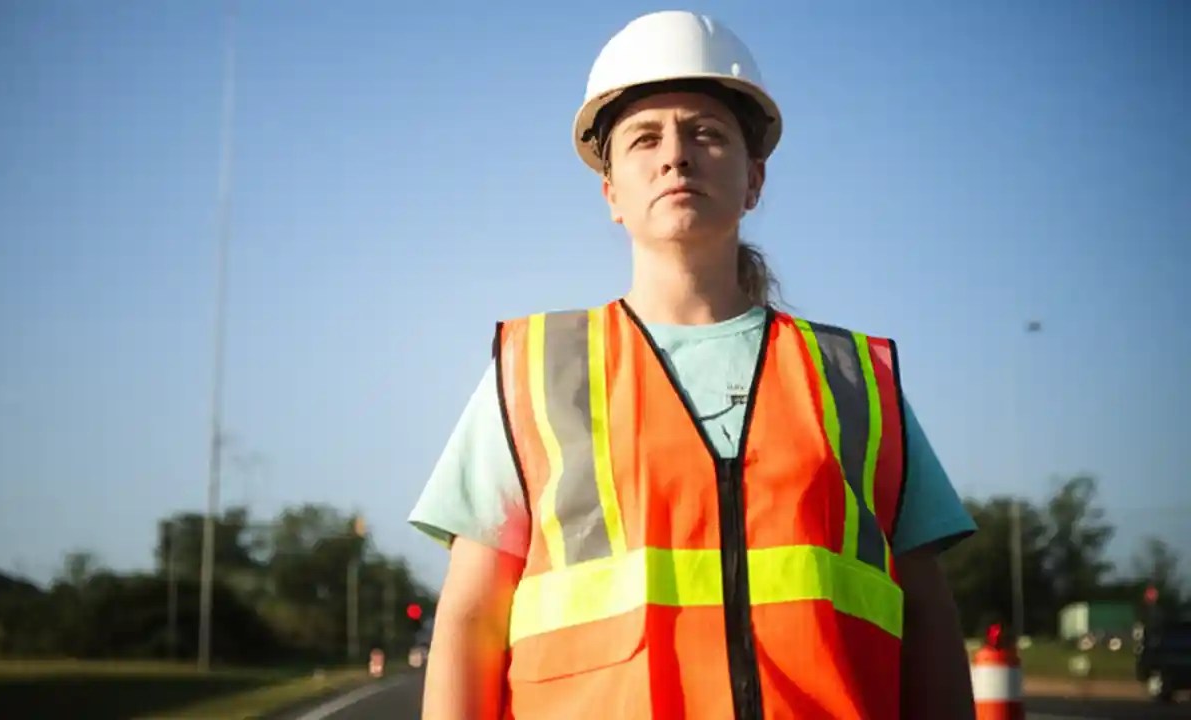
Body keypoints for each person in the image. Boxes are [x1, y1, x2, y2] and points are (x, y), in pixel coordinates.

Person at [409, 10, 977, 720]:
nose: (676, 155)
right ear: (611, 192)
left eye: (706, 133)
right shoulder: (534, 373)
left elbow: (926, 618)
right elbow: (470, 618)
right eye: (644, 138)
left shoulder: (854, 380)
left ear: (754, 181)